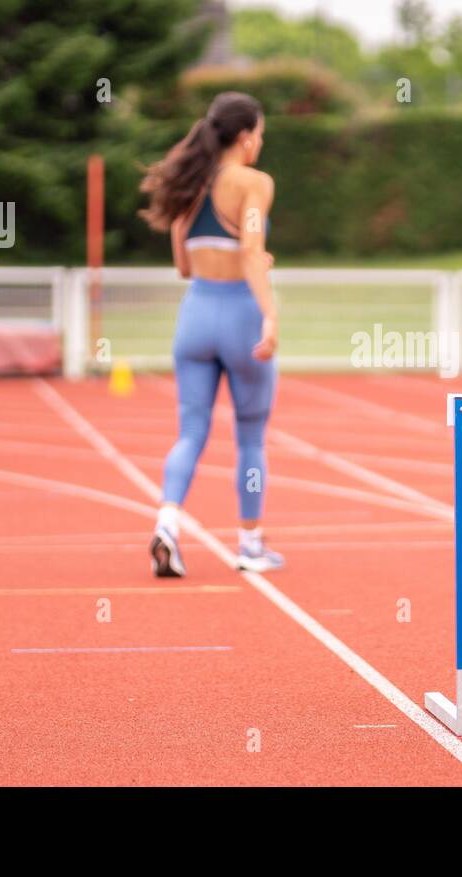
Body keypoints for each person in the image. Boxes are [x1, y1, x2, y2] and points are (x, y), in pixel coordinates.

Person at [138, 91, 283, 575]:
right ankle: (250, 544)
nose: (260, 141)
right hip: (240, 316)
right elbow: (249, 249)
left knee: (191, 432)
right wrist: (270, 315)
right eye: (260, 132)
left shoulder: (187, 185)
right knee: (250, 438)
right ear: (245, 136)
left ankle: (167, 523)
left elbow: (183, 265)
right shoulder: (253, 183)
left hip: (195, 316)